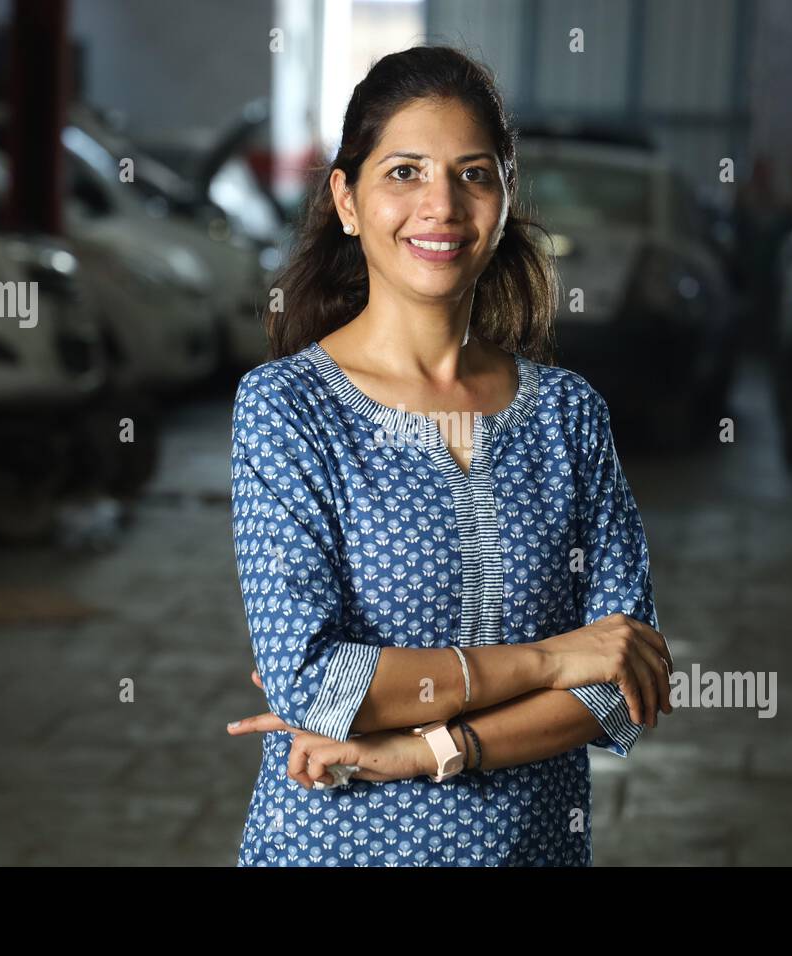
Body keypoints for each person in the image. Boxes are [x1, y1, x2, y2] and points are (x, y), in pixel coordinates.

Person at [225, 45, 673, 866]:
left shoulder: (568, 417)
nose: (441, 205)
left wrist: (427, 746)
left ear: (503, 201)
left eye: (474, 174)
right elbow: (317, 684)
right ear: (346, 199)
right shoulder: (287, 410)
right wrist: (549, 659)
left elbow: (619, 684)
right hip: (335, 848)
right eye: (403, 172)